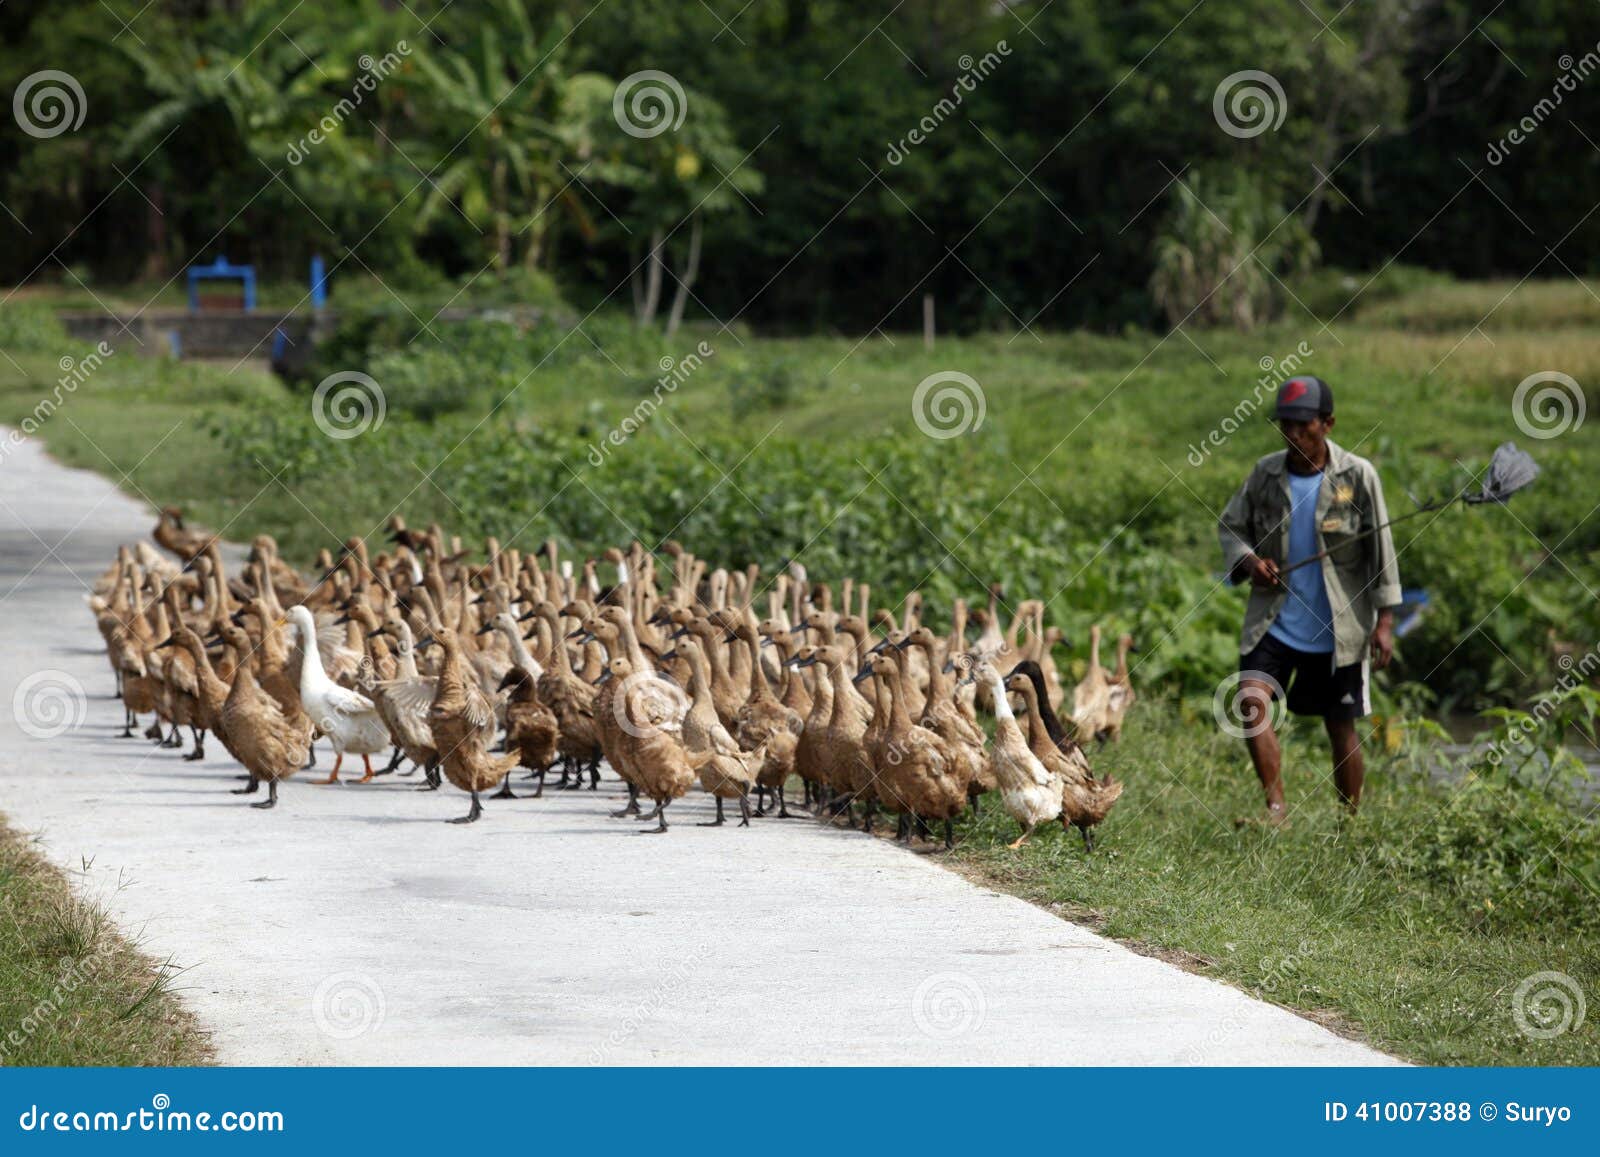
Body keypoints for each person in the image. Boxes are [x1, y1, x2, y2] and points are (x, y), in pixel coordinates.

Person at [1217, 376, 1401, 821]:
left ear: (1328, 424)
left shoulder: (1357, 476)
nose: (1294, 434)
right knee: (1251, 700)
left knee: (1340, 727)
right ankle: (1276, 808)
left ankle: (1348, 823)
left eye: (1304, 425)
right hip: (1275, 619)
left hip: (1338, 628)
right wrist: (1250, 563)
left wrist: (1384, 624)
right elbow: (1231, 527)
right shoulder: (1265, 474)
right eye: (1286, 425)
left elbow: (1383, 552)